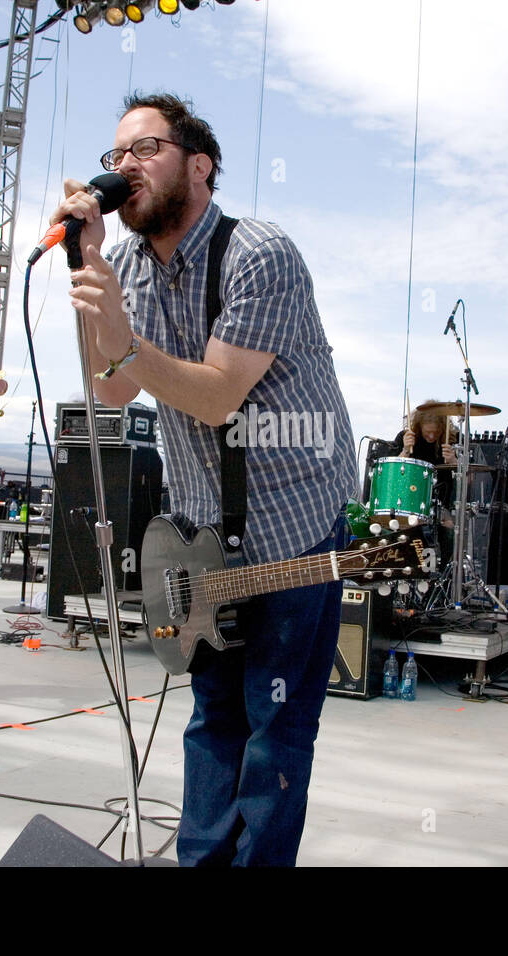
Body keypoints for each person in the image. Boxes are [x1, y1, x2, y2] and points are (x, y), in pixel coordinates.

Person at [54, 92, 358, 866]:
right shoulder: (121, 264)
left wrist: (122, 337)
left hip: (292, 519)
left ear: (200, 165)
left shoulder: (260, 253)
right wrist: (89, 269)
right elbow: (113, 388)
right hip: (203, 532)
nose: (124, 167)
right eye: (117, 154)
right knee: (212, 714)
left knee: (274, 724)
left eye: (145, 149)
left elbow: (220, 393)